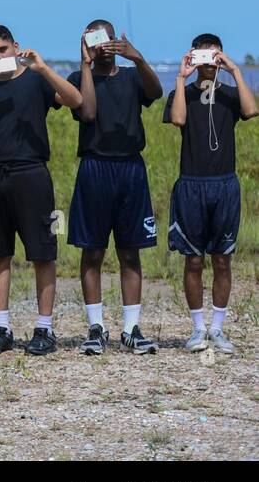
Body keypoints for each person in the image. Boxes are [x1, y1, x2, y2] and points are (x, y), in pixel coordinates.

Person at [0, 25, 82, 356]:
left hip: (33, 174)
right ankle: (2, 327)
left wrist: (42, 67)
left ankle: (44, 328)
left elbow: (75, 100)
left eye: (2, 50)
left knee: (43, 251)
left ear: (16, 47)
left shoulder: (36, 78)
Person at [66, 21, 162, 356]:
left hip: (130, 167)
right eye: (91, 40)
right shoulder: (78, 79)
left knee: (130, 250)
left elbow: (156, 93)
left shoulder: (132, 75)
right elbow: (88, 111)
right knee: (92, 250)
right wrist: (85, 65)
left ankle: (131, 328)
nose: (99, 45)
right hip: (95, 167)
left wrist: (137, 58)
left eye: (104, 39)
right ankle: (96, 327)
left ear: (114, 40)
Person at [164, 34, 257, 355]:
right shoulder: (184, 93)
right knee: (192, 260)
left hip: (224, 184)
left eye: (211, 55)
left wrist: (235, 71)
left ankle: (217, 329)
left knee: (222, 259)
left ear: (219, 55)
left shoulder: (231, 94)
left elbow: (252, 110)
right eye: (200, 55)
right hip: (192, 183)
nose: (206, 62)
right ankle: (197, 329)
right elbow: (177, 119)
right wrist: (180, 76)